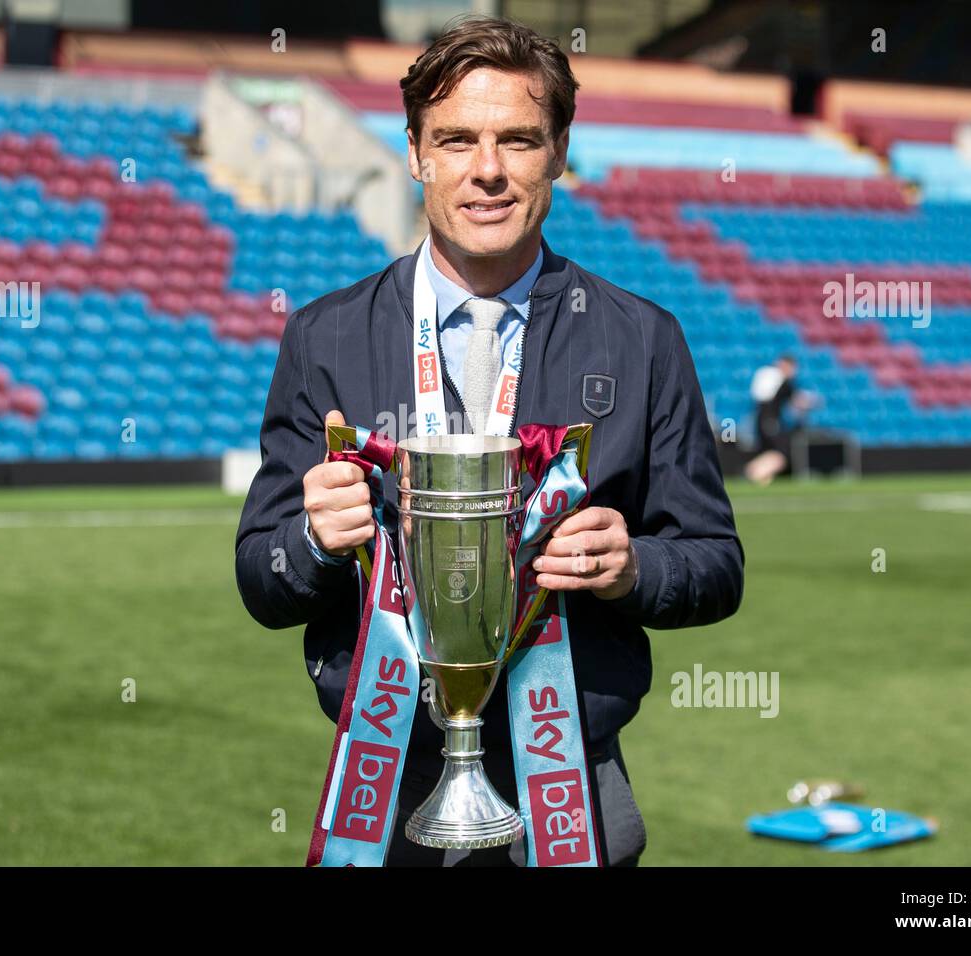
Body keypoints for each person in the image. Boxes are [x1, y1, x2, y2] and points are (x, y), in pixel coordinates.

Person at [234, 15, 743, 866]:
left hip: (569, 787)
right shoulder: (325, 338)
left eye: (518, 139)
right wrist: (314, 541)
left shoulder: (643, 340)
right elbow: (261, 575)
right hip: (385, 787)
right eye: (456, 139)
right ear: (414, 153)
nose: (488, 170)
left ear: (559, 152)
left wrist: (633, 569)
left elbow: (716, 564)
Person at [743, 355, 818, 486]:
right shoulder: (780, 379)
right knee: (782, 453)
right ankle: (754, 472)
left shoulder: (767, 376)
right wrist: (811, 402)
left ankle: (762, 477)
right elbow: (797, 401)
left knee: (771, 451)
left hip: (762, 420)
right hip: (770, 422)